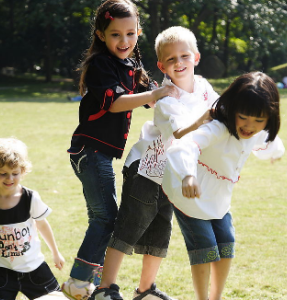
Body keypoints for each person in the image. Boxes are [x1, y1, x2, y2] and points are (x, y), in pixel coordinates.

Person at [90, 26, 219, 300]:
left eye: (184, 56)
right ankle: (104, 288)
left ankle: (145, 290)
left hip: (170, 176)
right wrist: (203, 121)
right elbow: (181, 133)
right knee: (129, 227)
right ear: (161, 65)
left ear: (196, 57)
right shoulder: (166, 97)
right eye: (171, 59)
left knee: (160, 232)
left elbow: (221, 113)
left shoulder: (204, 88)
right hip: (146, 171)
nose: (179, 63)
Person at [61, 1, 178, 299]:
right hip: (90, 153)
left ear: (138, 32)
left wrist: (174, 92)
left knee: (102, 218)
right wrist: (153, 94)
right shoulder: (101, 65)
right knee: (105, 219)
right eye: (115, 34)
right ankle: (81, 282)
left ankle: (93, 282)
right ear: (101, 35)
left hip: (99, 155)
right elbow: (115, 102)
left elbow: (153, 97)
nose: (124, 41)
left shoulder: (130, 66)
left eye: (130, 33)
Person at [161, 71, 285, 300]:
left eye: (258, 120)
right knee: (206, 249)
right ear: (233, 108)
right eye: (244, 117)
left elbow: (270, 142)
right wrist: (188, 175)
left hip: (218, 198)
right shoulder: (218, 128)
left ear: (269, 118)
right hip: (189, 192)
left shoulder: (257, 133)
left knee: (226, 244)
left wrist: (276, 153)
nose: (249, 126)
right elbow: (184, 146)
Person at [0, 138, 65, 300]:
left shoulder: (30, 198)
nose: (10, 179)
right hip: (3, 271)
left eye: (15, 173)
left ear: (23, 171)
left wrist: (55, 253)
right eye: (3, 174)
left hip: (33, 269)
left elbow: (42, 225)